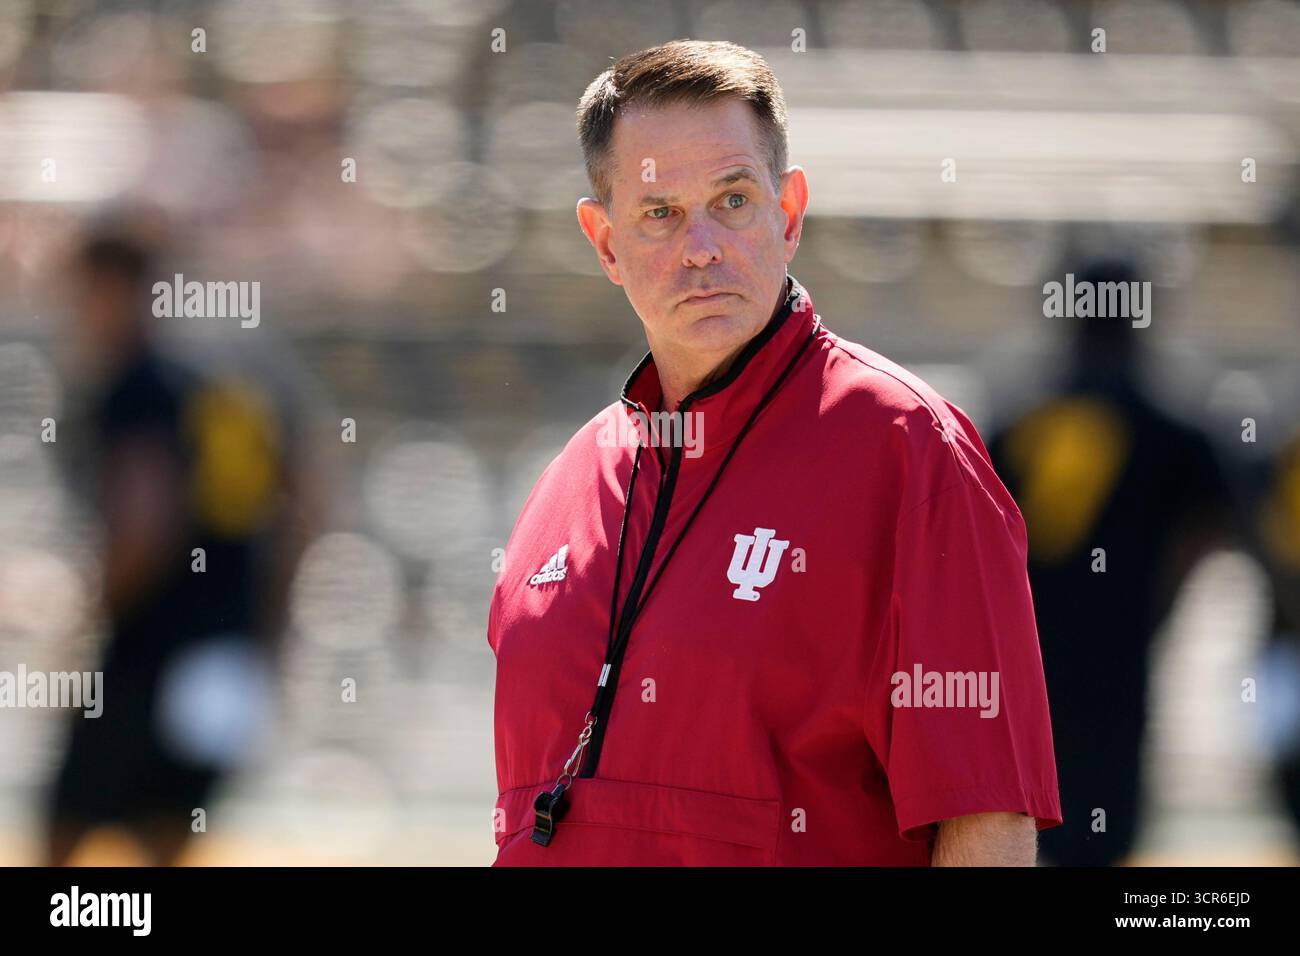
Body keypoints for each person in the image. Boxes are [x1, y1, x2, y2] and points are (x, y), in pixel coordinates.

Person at [486, 40, 1060, 866]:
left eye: (732, 199)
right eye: (659, 212)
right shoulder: (569, 481)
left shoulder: (910, 453)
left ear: (788, 214)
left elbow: (989, 817)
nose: (702, 247)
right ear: (604, 241)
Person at [44, 225, 315, 865]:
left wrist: (86, 618)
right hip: (229, 651)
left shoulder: (135, 385)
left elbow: (145, 522)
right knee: (166, 837)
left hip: (148, 652)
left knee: (65, 836)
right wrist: (266, 626)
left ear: (112, 288)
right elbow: (305, 503)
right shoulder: (227, 383)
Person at [987, 256, 1232, 865]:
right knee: (1108, 814)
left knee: (1038, 804)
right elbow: (1209, 529)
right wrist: (1161, 605)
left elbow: (980, 538)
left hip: (1032, 653)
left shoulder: (1018, 417)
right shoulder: (1174, 426)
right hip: (1123, 648)